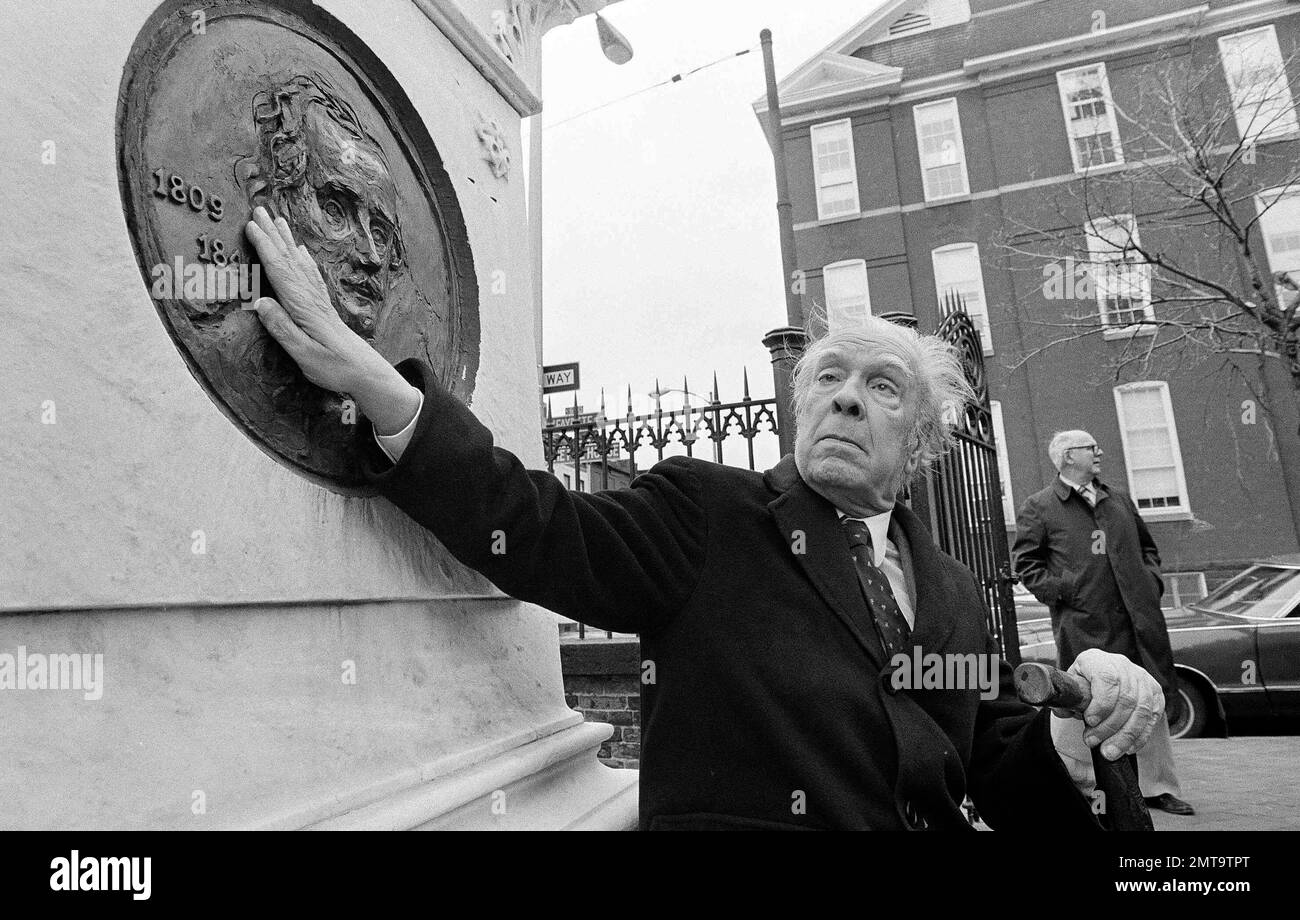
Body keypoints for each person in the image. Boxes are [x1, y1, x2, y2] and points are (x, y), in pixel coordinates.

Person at [244, 207, 1164, 830]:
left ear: (921, 440)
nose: (843, 399)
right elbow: (531, 524)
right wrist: (381, 392)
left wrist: (1079, 721)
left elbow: (987, 751)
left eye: (879, 387)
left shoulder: (956, 593)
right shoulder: (710, 516)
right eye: (828, 379)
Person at [1012, 430, 1194, 816]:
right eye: (1090, 447)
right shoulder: (1039, 506)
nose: (1099, 452)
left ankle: (1158, 786)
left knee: (1150, 696)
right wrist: (1069, 590)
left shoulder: (1119, 499)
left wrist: (1151, 582)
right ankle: (1087, 788)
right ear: (1066, 458)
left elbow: (1148, 548)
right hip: (1085, 625)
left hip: (1136, 622)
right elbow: (1027, 566)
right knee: (1087, 701)